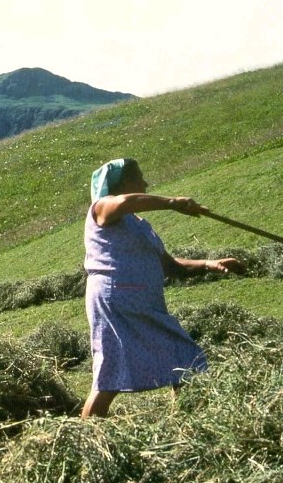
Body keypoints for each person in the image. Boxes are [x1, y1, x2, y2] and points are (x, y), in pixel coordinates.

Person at [82, 158, 243, 418]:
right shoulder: (101, 209)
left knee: (181, 358)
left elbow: (171, 266)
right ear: (121, 183)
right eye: (139, 177)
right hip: (118, 298)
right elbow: (125, 202)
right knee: (114, 370)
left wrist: (209, 264)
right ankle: (84, 435)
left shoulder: (138, 225)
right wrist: (172, 203)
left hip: (138, 302)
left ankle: (185, 421)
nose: (145, 183)